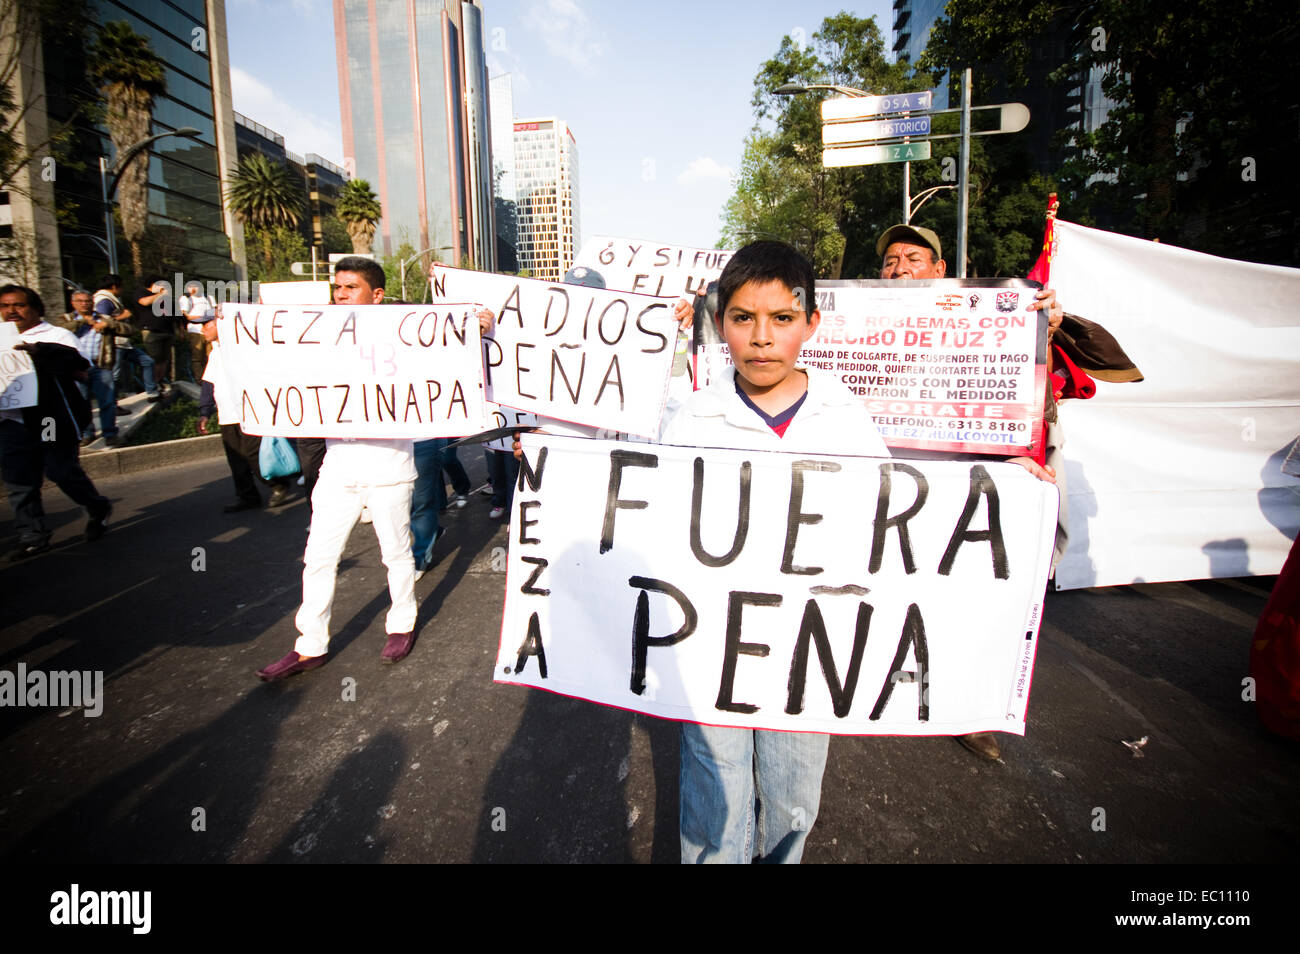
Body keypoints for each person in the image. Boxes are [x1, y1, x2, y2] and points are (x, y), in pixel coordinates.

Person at [659, 241, 889, 863]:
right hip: (712, 643)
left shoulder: (847, 418)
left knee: (793, 789)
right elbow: (648, 507)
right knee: (713, 778)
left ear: (811, 323)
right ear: (719, 324)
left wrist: (1013, 485)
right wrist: (551, 467)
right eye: (743, 318)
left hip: (808, 649)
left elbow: (895, 517)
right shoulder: (691, 420)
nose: (762, 338)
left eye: (782, 319)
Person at [876, 223, 1057, 761]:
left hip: (958, 482)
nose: (899, 268)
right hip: (887, 484)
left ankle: (965, 708)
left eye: (913, 258)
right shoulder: (851, 325)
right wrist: (704, 316)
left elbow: (1020, 393)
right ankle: (865, 686)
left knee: (959, 595)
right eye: (889, 261)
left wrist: (1041, 322)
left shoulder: (992, 319)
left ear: (940, 270)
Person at [256, 257, 419, 680]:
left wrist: (474, 325)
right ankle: (309, 645)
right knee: (318, 559)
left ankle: (401, 624)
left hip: (391, 469)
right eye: (338, 288)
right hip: (338, 471)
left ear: (377, 295)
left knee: (396, 555)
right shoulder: (320, 337)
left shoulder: (408, 335)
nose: (340, 295)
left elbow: (445, 343)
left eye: (350, 288)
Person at [0, 285, 112, 558]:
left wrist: (42, 352)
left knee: (60, 470)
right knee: (19, 480)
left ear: (36, 308)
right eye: (4, 306)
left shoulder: (56, 335)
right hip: (10, 421)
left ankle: (96, 506)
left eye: (19, 305)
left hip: (50, 419)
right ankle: (32, 535)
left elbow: (80, 368)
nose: (11, 311)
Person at [196, 310, 294, 512]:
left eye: (208, 324)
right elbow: (208, 384)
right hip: (226, 414)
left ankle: (278, 484)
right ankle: (247, 496)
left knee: (252, 453)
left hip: (250, 411)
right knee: (236, 459)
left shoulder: (246, 348)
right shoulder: (215, 353)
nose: (203, 329)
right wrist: (205, 412)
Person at [55, 289, 132, 447]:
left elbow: (129, 330)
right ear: (73, 303)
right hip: (75, 368)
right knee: (80, 402)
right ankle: (86, 433)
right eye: (80, 301)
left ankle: (109, 433)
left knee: (107, 401)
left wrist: (109, 324)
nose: (85, 304)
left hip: (100, 365)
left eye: (88, 301)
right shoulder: (66, 319)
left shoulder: (103, 318)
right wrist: (84, 322)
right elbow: (60, 331)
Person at [95, 274, 159, 402]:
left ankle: (152, 392)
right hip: (113, 344)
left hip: (123, 343)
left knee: (147, 362)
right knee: (114, 375)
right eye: (121, 287)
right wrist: (123, 316)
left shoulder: (110, 299)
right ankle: (112, 403)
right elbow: (101, 322)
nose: (122, 290)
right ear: (114, 286)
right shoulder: (103, 300)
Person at [136, 277, 178, 396]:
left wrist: (179, 329)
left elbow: (175, 314)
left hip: (168, 331)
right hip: (151, 332)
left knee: (163, 359)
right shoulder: (141, 292)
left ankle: (160, 381)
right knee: (153, 359)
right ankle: (151, 385)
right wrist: (160, 294)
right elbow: (144, 302)